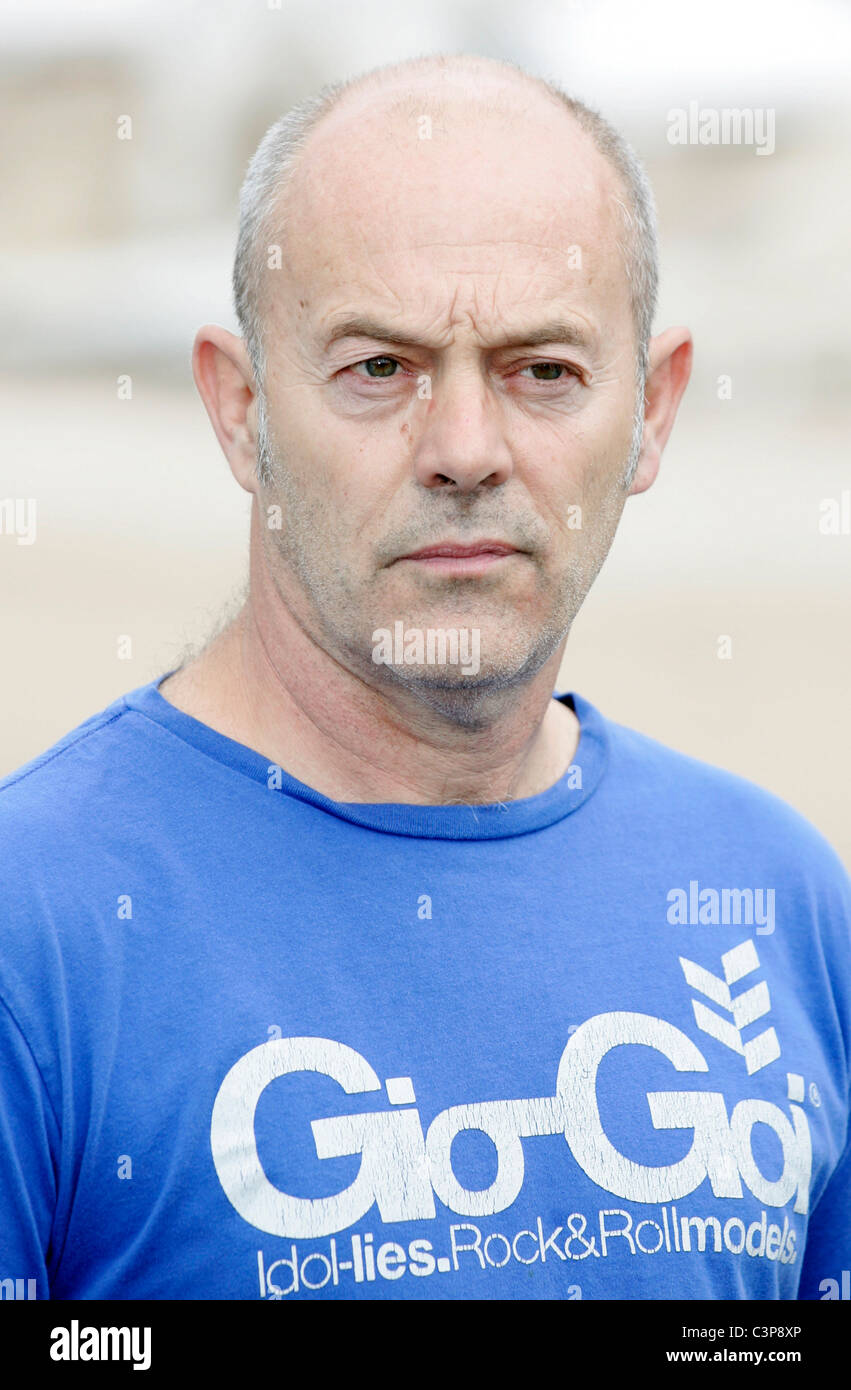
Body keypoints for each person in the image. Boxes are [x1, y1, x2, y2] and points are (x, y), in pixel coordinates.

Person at [1, 53, 848, 1303]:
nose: (462, 450)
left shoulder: (776, 897)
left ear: (655, 411)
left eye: (542, 371)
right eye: (377, 369)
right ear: (239, 411)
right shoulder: (40, 927)